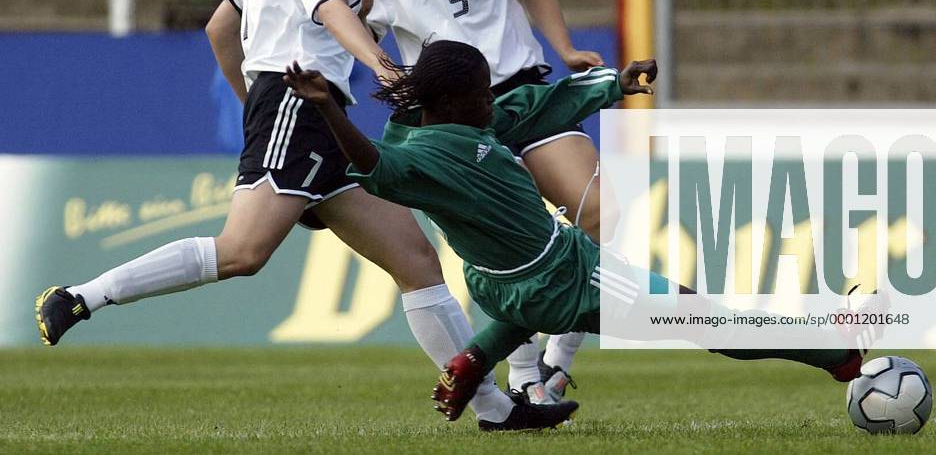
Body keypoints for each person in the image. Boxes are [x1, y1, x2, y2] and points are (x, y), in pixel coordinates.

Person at [34, 0, 574, 433]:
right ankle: (81, 295)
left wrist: (254, 108)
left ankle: (494, 409)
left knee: (417, 260)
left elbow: (219, 27)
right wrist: (382, 66)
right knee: (242, 252)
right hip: (302, 103)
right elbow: (329, 7)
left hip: (308, 113)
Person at [282, 41, 868, 423]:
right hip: (572, 276)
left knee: (533, 299)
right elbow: (377, 169)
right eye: (485, 92)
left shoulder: (442, 124)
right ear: (458, 101)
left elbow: (543, 104)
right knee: (703, 319)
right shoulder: (430, 157)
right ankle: (839, 353)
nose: (494, 99)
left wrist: (618, 83)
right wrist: (332, 112)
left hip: (497, 283)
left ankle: (471, 360)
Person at [353, 0, 599, 399]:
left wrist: (563, 47)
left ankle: (559, 360)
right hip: (451, 125)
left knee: (596, 211)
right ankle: (525, 376)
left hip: (522, 91)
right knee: (499, 254)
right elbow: (357, 29)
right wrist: (384, 73)